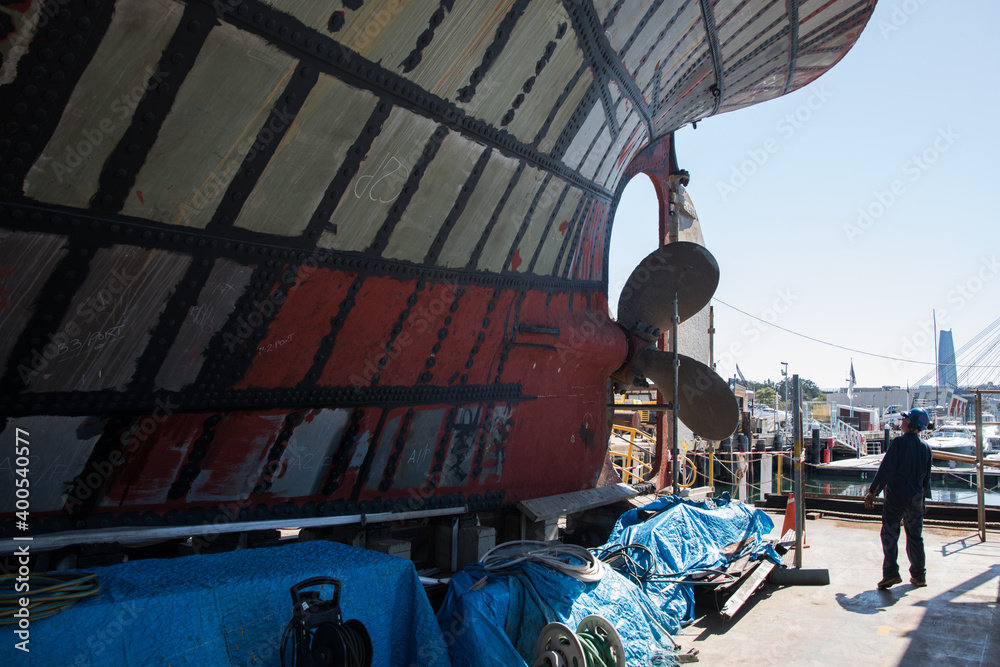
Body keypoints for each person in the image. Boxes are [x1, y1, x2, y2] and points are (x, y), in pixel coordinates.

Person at [864, 407, 933, 589]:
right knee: (915, 536)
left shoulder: (899, 443)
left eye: (905, 418)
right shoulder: (926, 448)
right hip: (916, 500)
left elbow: (886, 469)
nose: (901, 420)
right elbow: (926, 479)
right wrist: (924, 501)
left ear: (911, 424)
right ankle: (919, 575)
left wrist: (873, 492)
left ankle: (891, 573)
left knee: (890, 534)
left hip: (896, 498)